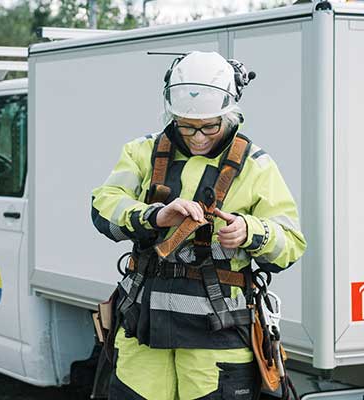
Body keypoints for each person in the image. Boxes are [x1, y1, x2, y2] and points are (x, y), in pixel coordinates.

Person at [91, 51, 306, 399]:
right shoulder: (142, 152)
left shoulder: (256, 166)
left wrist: (250, 232)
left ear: (230, 114)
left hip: (217, 340)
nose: (199, 137)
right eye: (187, 126)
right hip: (142, 330)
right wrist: (155, 216)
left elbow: (290, 244)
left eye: (210, 126)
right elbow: (104, 206)